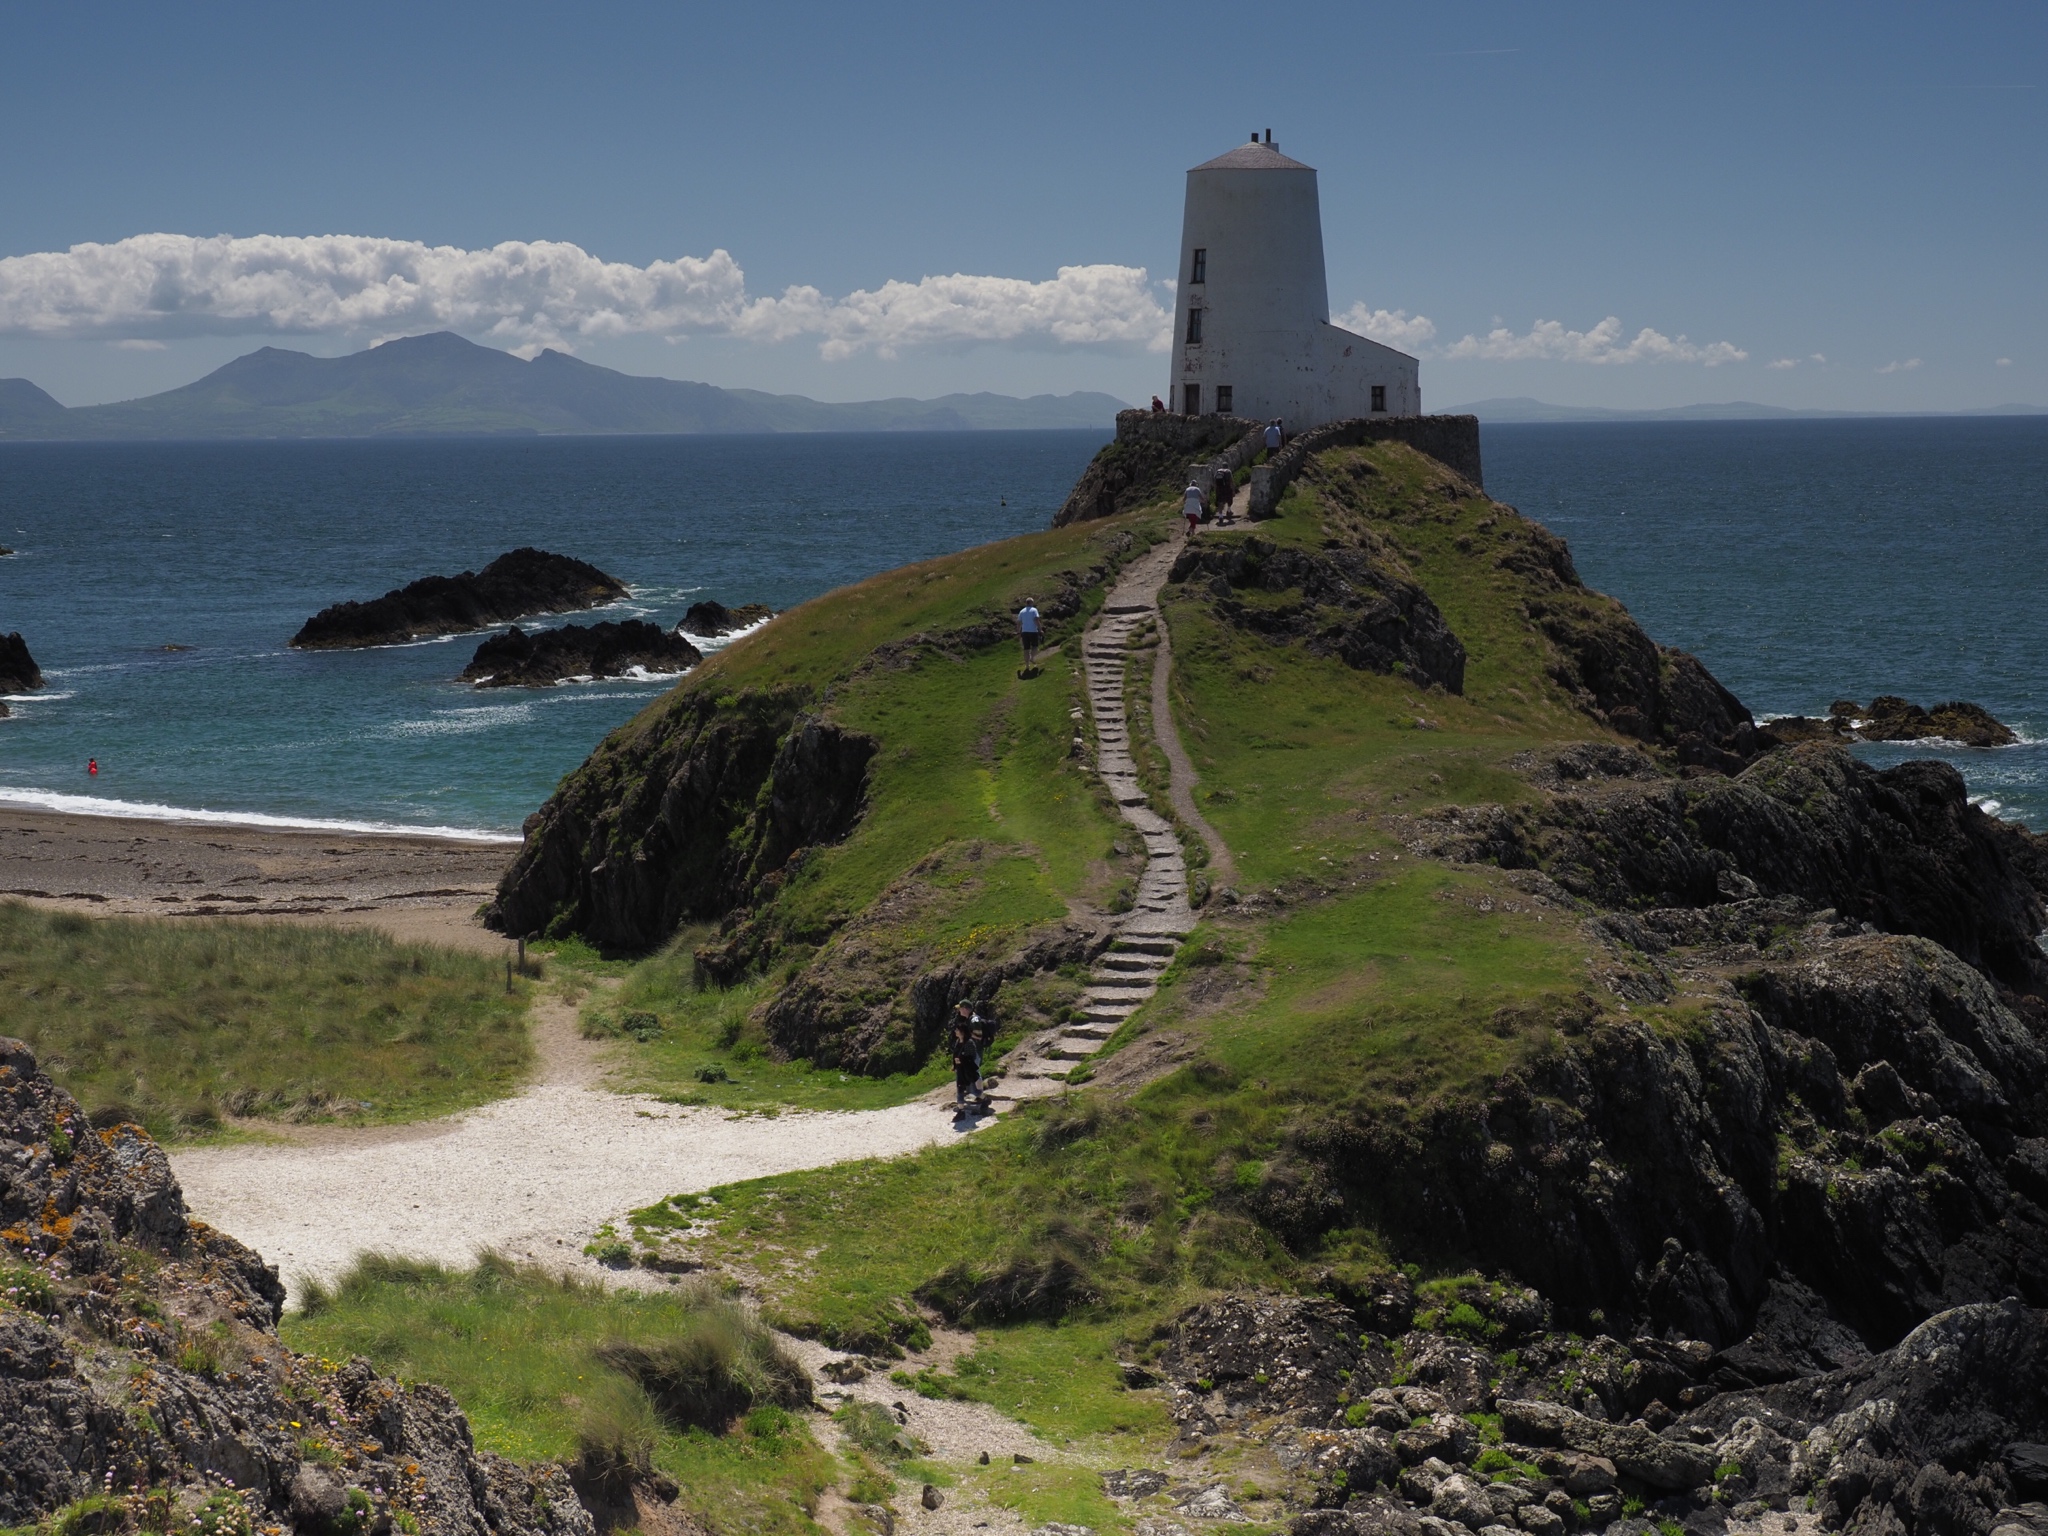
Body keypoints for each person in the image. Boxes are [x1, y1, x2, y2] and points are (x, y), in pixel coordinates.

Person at [950, 1003, 986, 1114]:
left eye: (960, 1009)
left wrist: (966, 1035)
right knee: (967, 1080)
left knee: (973, 1077)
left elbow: (979, 1035)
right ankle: (979, 1098)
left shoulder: (974, 1020)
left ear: (965, 1009)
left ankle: (982, 1098)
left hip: (973, 1053)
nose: (959, 1011)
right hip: (966, 1056)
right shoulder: (968, 1020)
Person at [1017, 598, 1042, 668]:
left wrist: (1018, 632)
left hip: (1024, 632)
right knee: (1035, 646)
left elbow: (1019, 623)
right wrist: (1040, 629)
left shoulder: (1022, 611)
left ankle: (1027, 665)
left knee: (1026, 649)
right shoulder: (1034, 610)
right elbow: (1036, 620)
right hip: (1033, 631)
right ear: (1031, 603)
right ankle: (1032, 657)